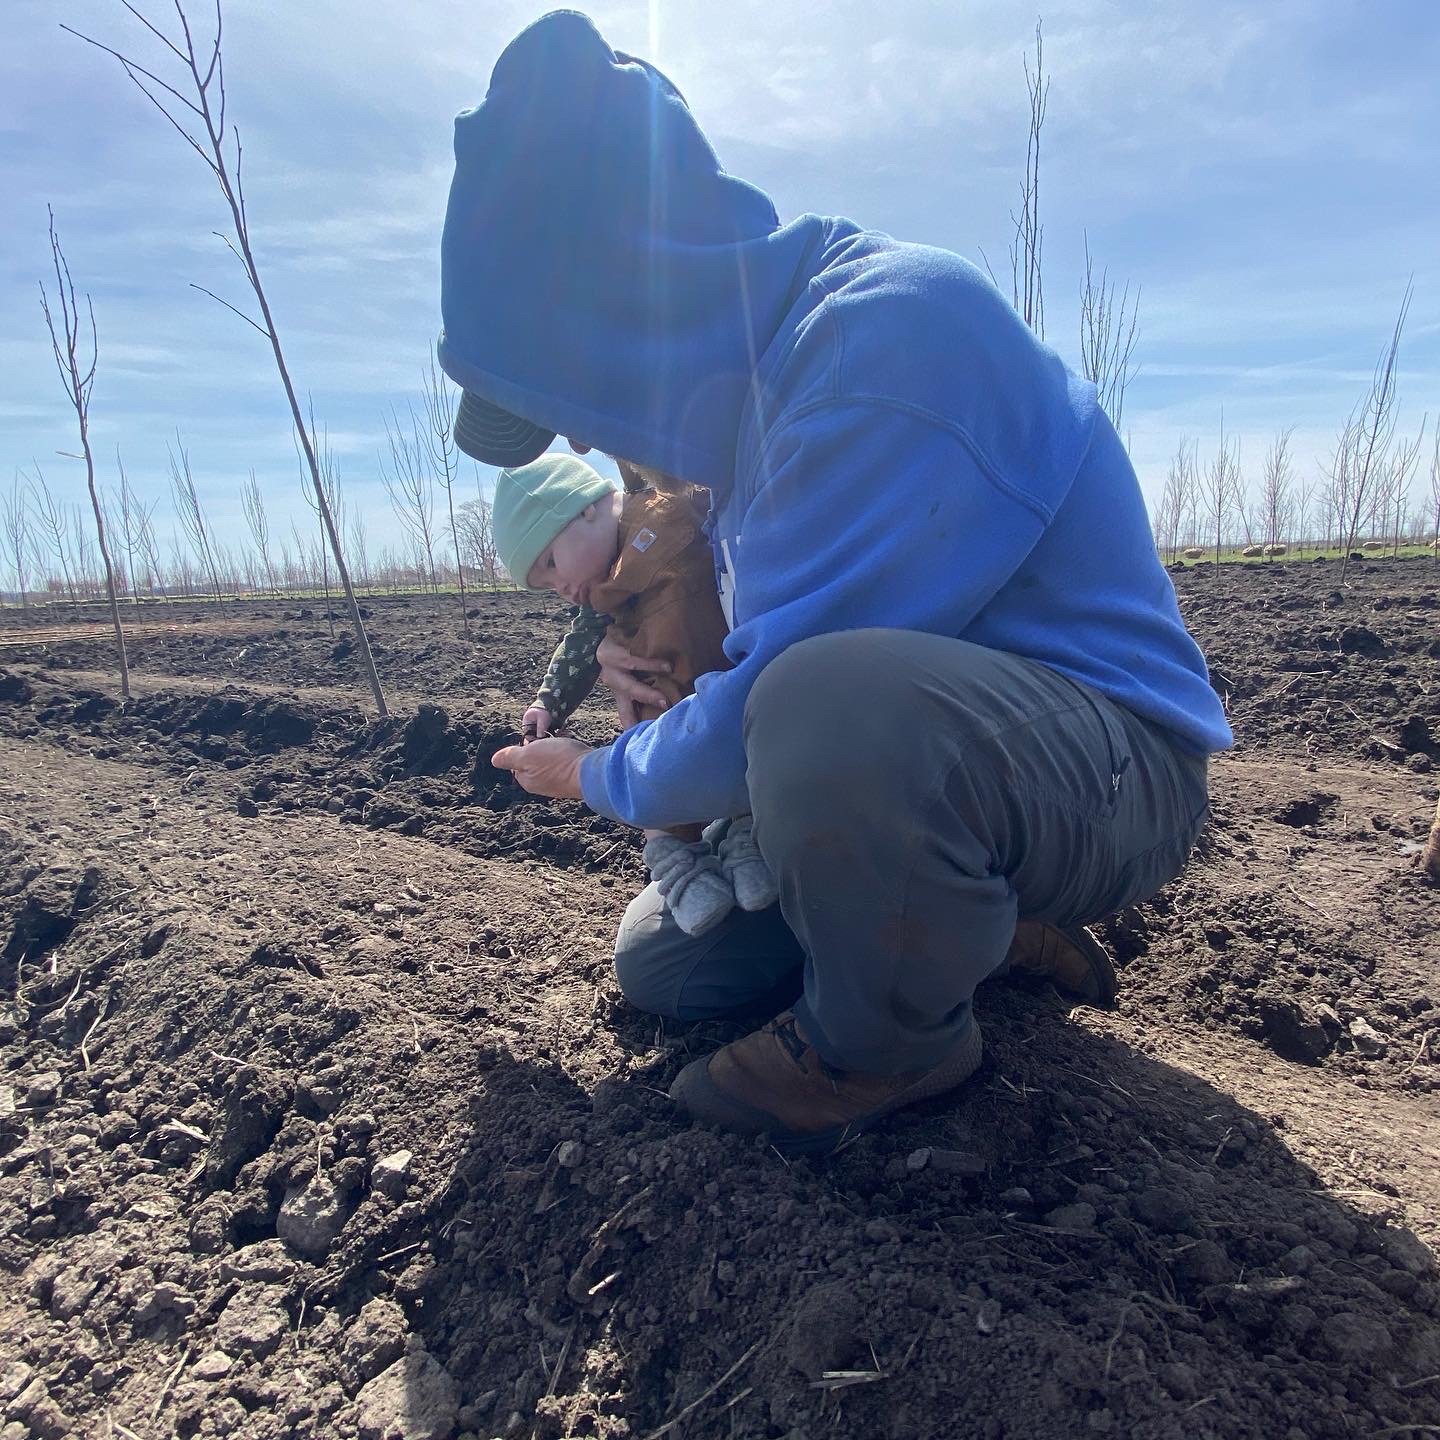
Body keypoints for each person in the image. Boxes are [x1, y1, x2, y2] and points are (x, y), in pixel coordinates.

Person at [444, 12, 1233, 1155]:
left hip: (1107, 767)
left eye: (571, 388)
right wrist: (643, 669)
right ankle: (985, 933)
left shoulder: (875, 346)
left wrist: (598, 771)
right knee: (665, 959)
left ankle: (885, 1050)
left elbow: (772, 708)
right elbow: (740, 665)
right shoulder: (732, 434)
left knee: (818, 704)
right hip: (939, 760)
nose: (580, 428)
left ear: (627, 312)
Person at [495, 451, 777, 936]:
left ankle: (746, 838)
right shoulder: (600, 591)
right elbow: (582, 640)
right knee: (659, 767)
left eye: (552, 562)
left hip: (736, 696)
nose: (560, 586)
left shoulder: (684, 507)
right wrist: (549, 701)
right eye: (545, 585)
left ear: (588, 509)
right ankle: (680, 865)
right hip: (667, 713)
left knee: (746, 764)